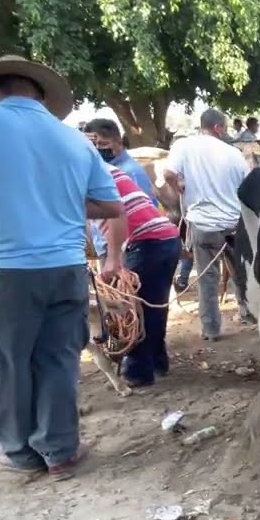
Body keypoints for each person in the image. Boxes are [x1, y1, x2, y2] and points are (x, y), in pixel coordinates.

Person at [0, 54, 126, 479]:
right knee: (58, 359)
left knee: (6, 362)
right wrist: (61, 201)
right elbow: (111, 205)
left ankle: (20, 454)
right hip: (65, 267)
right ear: (42, 96)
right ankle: (61, 453)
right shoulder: (74, 139)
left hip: (1, 270)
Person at [161, 107, 252, 338]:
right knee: (240, 272)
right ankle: (247, 311)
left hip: (203, 224)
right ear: (218, 127)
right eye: (226, 127)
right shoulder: (234, 153)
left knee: (207, 279)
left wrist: (179, 187)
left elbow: (169, 174)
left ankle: (211, 329)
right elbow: (246, 187)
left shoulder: (184, 146)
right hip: (233, 223)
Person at [92, 159, 181, 388]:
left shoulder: (86, 174)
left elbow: (116, 214)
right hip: (166, 237)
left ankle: (138, 372)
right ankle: (158, 362)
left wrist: (112, 259)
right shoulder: (105, 170)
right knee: (154, 305)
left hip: (147, 241)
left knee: (135, 309)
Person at [83, 118, 157, 205]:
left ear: (119, 142)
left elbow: (146, 210)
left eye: (104, 144)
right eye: (93, 146)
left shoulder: (131, 172)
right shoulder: (102, 169)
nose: (98, 149)